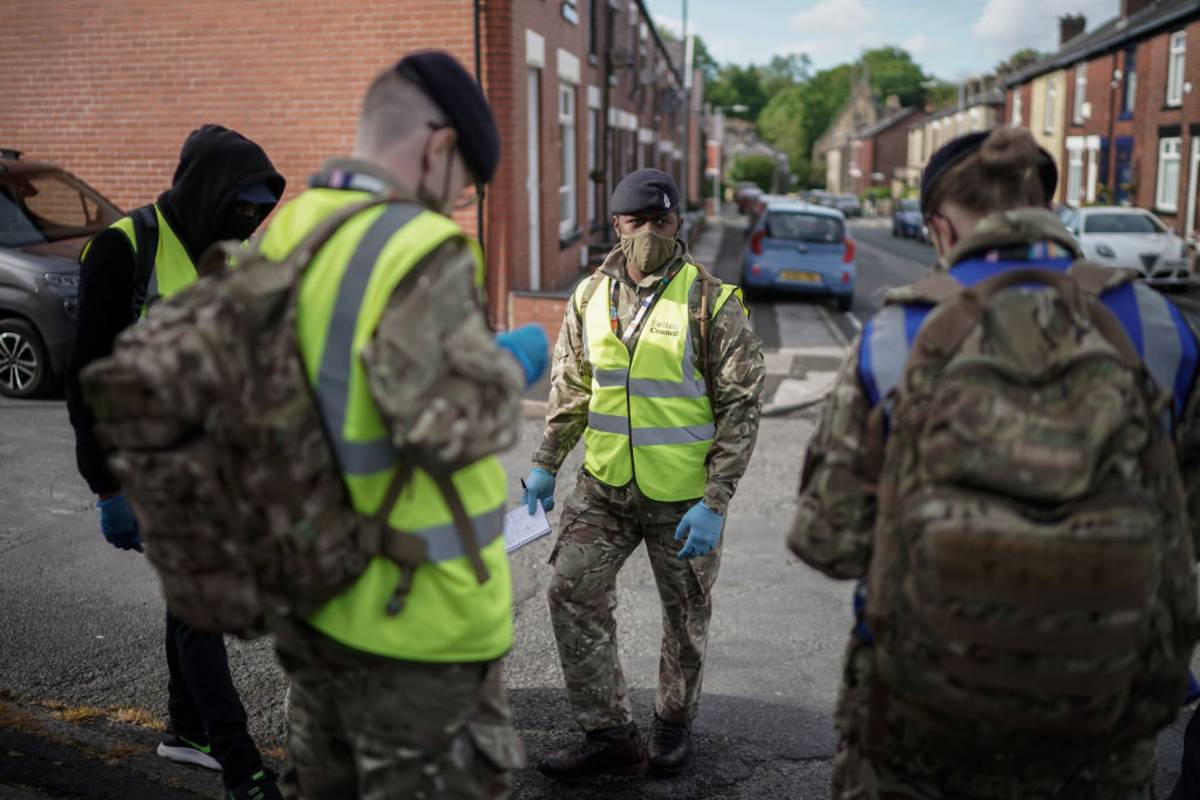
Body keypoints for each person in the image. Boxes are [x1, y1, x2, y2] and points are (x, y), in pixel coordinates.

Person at [789, 126, 1200, 800]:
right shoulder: (1162, 329)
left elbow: (828, 542)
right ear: (1049, 209)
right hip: (1103, 732)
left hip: (923, 736)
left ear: (941, 230)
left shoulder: (893, 337)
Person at [254, 51, 545, 800]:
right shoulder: (423, 247)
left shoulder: (290, 232)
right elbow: (450, 430)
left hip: (318, 604)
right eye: (464, 187)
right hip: (422, 627)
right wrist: (511, 366)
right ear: (440, 146)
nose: (457, 205)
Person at [65, 124, 286, 800]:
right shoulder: (122, 248)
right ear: (207, 191)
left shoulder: (230, 256)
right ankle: (240, 763)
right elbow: (84, 378)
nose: (249, 219)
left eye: (258, 207)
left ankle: (185, 729)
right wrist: (106, 487)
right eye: (240, 204)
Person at [524, 168, 765, 779]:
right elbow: (572, 388)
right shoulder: (587, 297)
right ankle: (609, 733)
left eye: (661, 221)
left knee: (685, 619)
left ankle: (672, 724)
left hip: (684, 499)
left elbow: (741, 407)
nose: (650, 233)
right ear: (617, 225)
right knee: (570, 592)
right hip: (603, 488)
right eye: (637, 222)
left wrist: (716, 499)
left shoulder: (712, 301)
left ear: (677, 222)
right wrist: (546, 464)